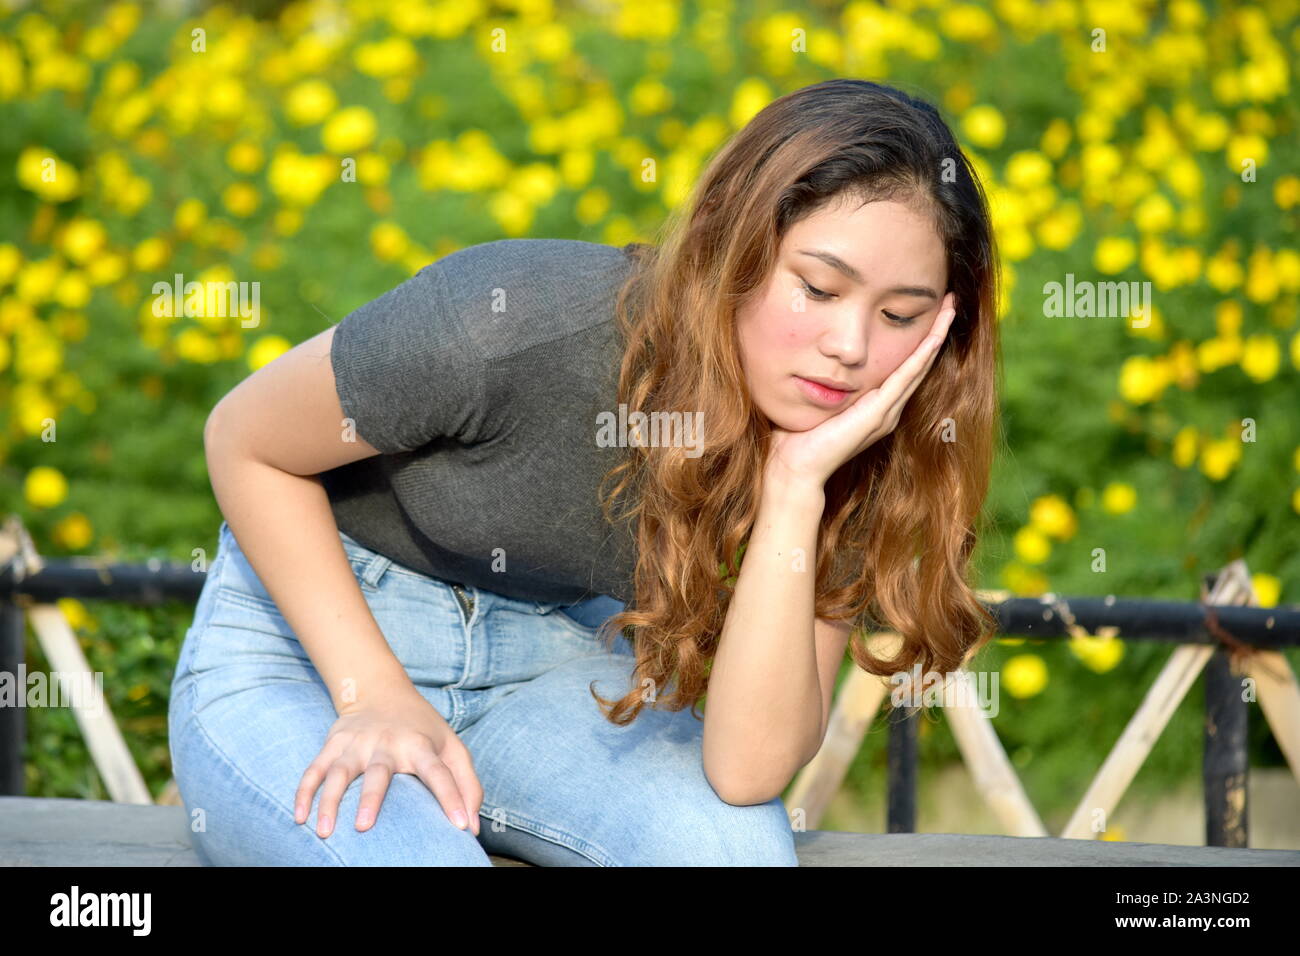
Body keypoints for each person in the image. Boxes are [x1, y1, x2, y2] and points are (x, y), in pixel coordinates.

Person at [168, 77, 1001, 866]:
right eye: (818, 288)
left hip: (553, 658)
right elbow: (243, 440)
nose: (852, 348)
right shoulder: (508, 320)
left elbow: (748, 773)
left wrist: (794, 490)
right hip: (312, 652)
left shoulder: (859, 438)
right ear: (730, 246)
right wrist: (371, 693)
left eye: (899, 315)